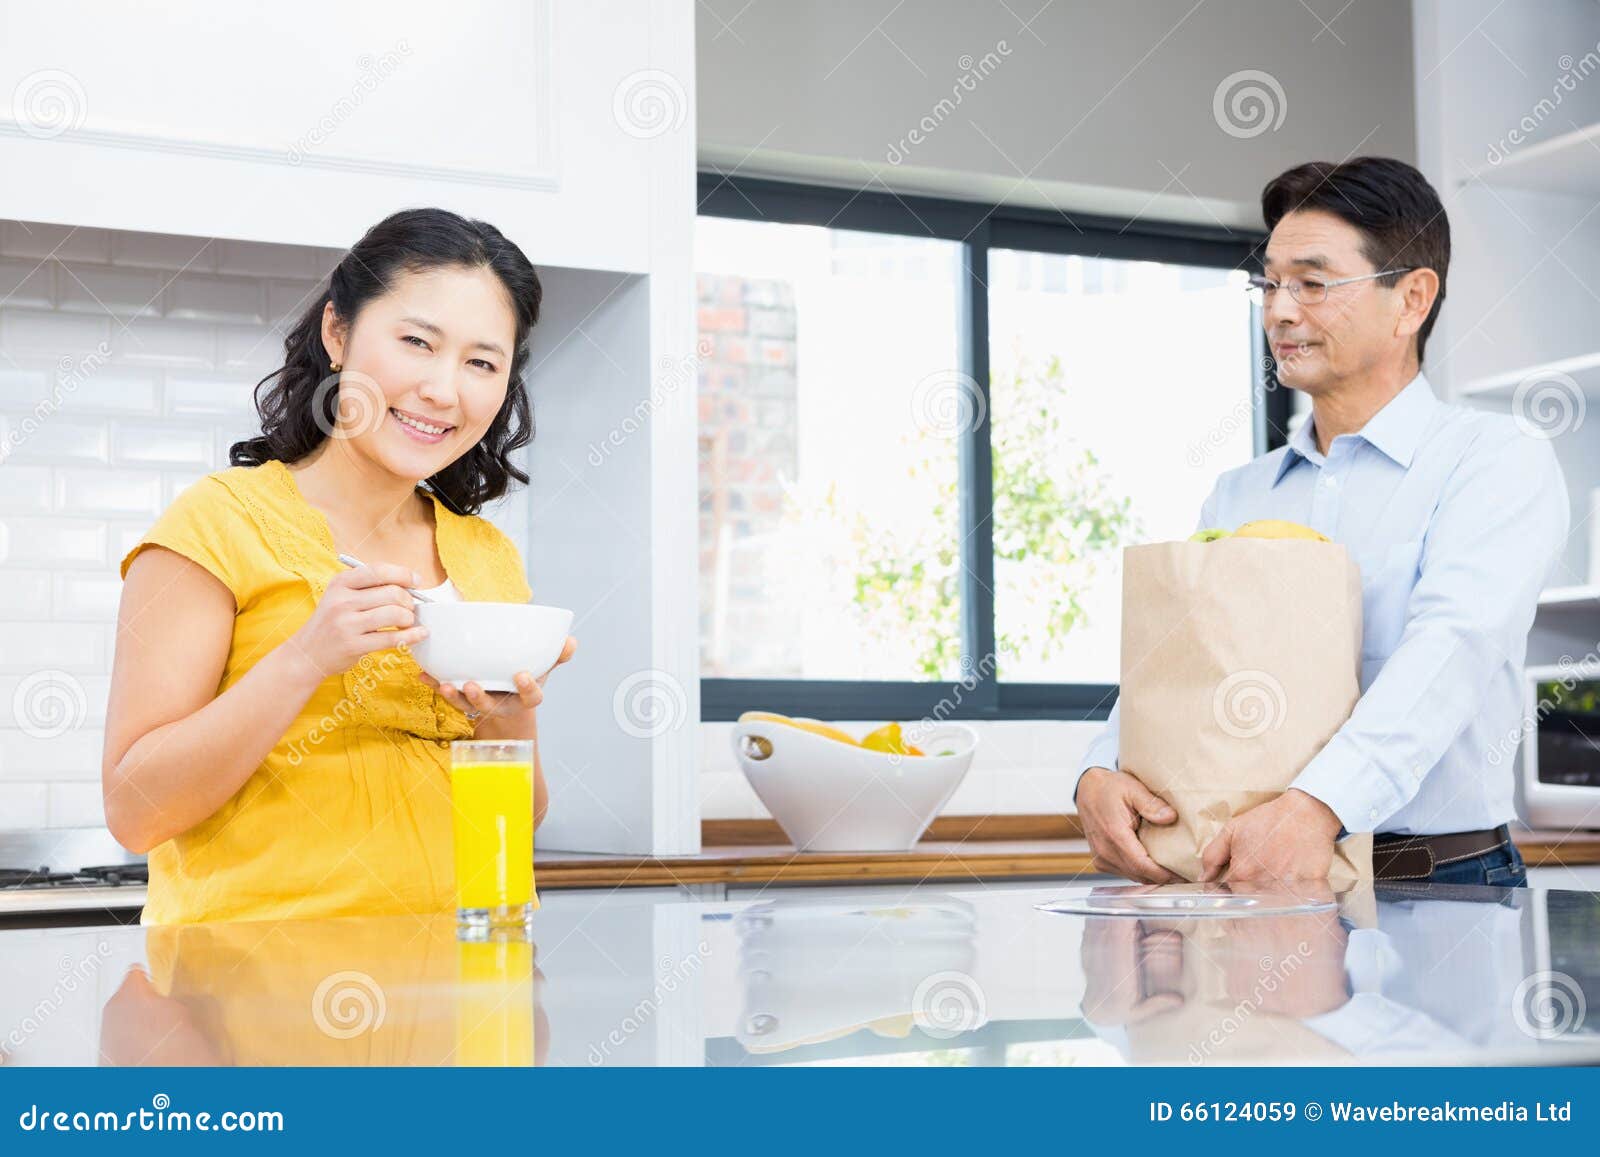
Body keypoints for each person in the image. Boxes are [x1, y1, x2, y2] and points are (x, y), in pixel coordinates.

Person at [1073, 157, 1569, 887]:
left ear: (1410, 301)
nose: (1278, 309)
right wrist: (1100, 768)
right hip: (1246, 877)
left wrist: (1317, 806)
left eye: (1311, 282)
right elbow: (1177, 664)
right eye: (1269, 283)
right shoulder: (1238, 495)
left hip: (1435, 879)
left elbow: (1449, 653)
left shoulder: (1496, 463)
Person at [104, 207, 575, 924]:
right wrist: (304, 659)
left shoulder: (488, 558)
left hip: (467, 995)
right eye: (418, 342)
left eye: (482, 362)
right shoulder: (217, 524)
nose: (444, 390)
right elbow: (135, 813)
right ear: (337, 333)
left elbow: (516, 826)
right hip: (256, 1001)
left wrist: (506, 725)